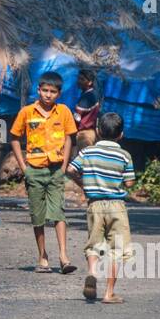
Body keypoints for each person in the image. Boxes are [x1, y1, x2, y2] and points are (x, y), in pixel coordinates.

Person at [11, 71, 77, 273]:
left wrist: (64, 165)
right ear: (38, 90)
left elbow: (69, 138)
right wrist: (24, 168)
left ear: (59, 93)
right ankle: (42, 256)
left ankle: (64, 256)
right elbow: (14, 137)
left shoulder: (64, 112)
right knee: (38, 215)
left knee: (58, 212)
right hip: (35, 171)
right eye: (45, 90)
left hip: (56, 170)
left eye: (53, 92)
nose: (48, 95)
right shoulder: (27, 112)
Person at [67, 112, 136, 304]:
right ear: (121, 135)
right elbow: (129, 183)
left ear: (97, 131)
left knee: (94, 244)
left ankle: (92, 272)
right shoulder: (124, 155)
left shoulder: (87, 152)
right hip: (116, 206)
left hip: (94, 205)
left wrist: (83, 184)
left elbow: (70, 170)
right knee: (117, 249)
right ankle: (109, 293)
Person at [72, 69, 101, 157]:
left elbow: (77, 118)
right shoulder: (94, 93)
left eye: (82, 79)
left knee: (82, 160)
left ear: (89, 82)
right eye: (78, 78)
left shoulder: (87, 97)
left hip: (84, 135)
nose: (78, 81)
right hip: (91, 132)